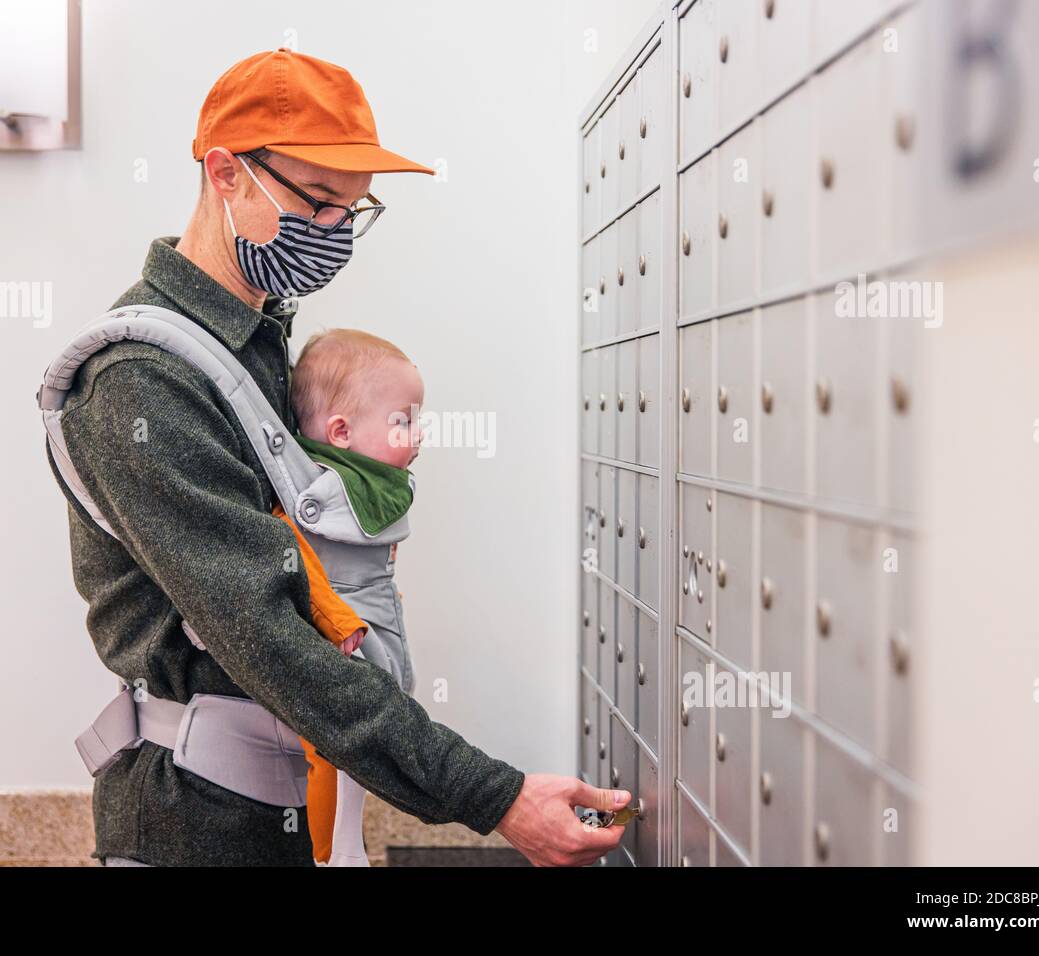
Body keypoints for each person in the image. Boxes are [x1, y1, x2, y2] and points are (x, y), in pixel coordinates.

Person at [47, 46, 629, 866]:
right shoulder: (145, 380)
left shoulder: (252, 347)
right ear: (225, 174)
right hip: (195, 820)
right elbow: (267, 637)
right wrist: (492, 795)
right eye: (317, 200)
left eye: (352, 210)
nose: (333, 232)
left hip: (282, 794)